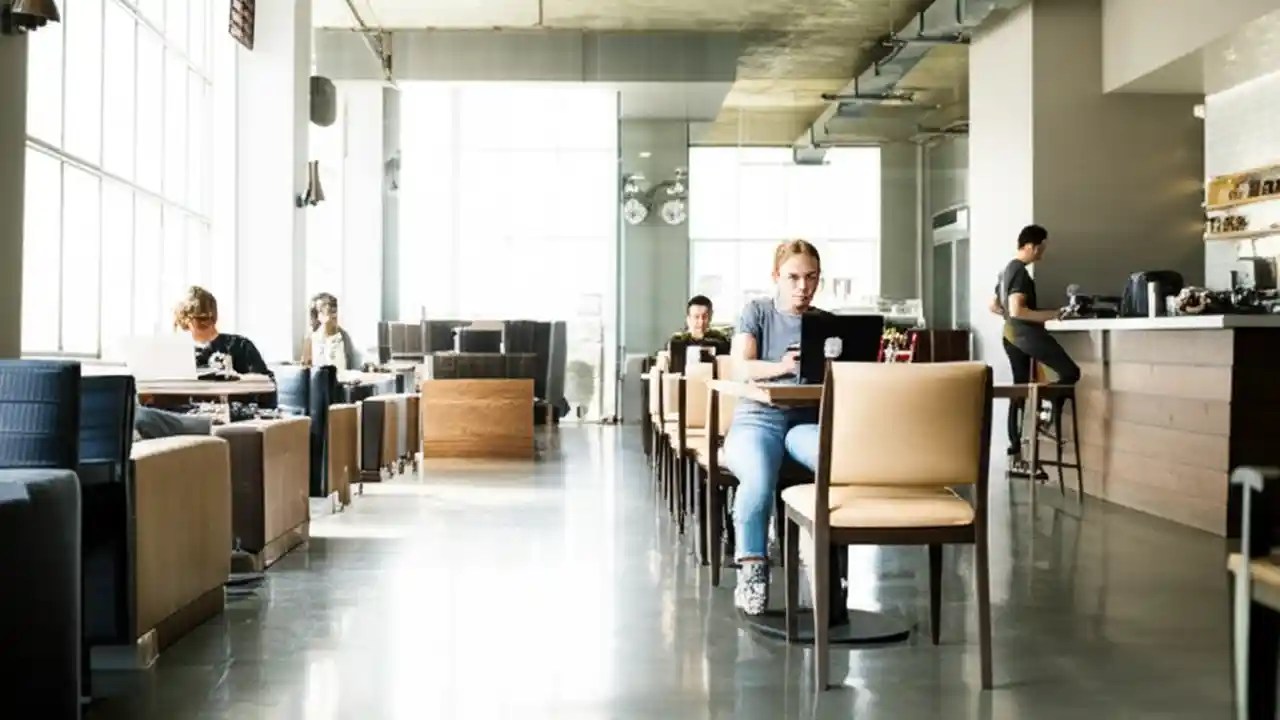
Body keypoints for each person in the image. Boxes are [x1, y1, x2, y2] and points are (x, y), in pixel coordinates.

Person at [721, 239, 825, 615]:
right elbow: (740, 367)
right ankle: (752, 569)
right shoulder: (756, 312)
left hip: (804, 420)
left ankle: (829, 572)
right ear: (776, 277)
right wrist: (784, 366)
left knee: (835, 464)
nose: (803, 286)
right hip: (757, 419)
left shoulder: (824, 323)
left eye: (811, 277)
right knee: (759, 479)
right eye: (794, 277)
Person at [988, 224, 1080, 475]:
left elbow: (995, 306)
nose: (1041, 253)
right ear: (1029, 245)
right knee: (1070, 372)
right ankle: (1047, 417)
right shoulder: (1019, 273)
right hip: (1025, 336)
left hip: (1010, 336)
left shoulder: (1006, 271)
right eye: (1040, 248)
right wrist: (1054, 315)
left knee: (1020, 390)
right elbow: (1017, 310)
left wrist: (1012, 317)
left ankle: (1015, 453)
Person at [300, 292, 359, 370]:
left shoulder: (343, 336)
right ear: (317, 315)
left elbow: (350, 366)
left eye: (335, 311)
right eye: (329, 311)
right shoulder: (311, 337)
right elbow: (305, 367)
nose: (334, 315)